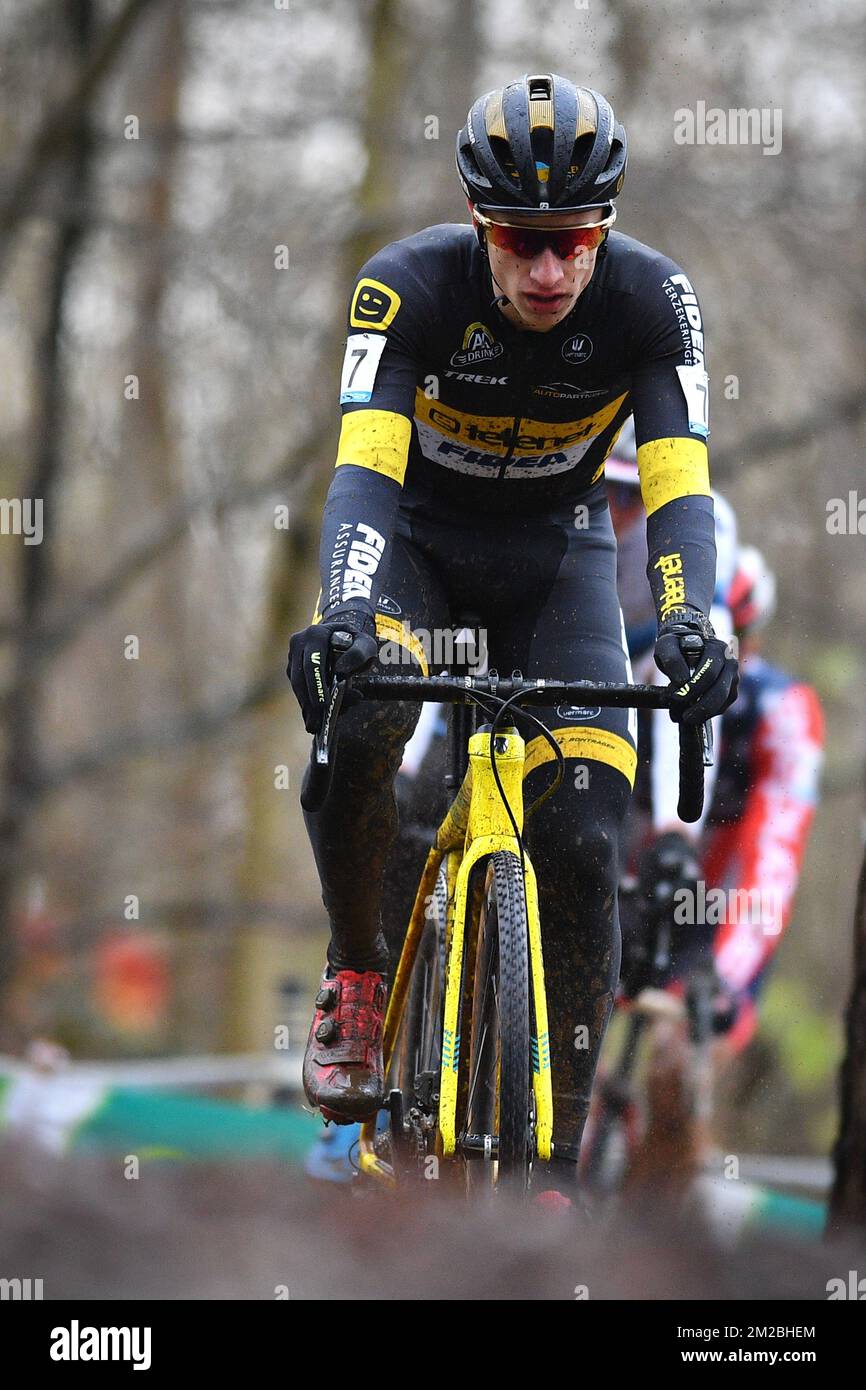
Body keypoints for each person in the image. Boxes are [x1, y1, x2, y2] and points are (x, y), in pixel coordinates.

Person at [287, 73, 738, 1198]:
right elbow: (363, 472)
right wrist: (343, 611)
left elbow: (678, 485)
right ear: (480, 226)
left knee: (586, 832)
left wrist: (689, 617)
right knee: (371, 708)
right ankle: (355, 969)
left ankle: (550, 1168)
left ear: (603, 232)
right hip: (419, 551)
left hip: (557, 564)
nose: (546, 270)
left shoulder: (650, 302)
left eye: (570, 241)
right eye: (521, 241)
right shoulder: (406, 288)